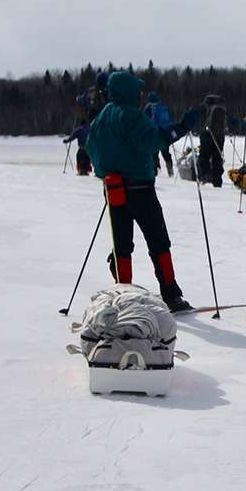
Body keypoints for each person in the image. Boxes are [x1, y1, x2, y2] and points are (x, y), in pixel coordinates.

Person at [85, 70, 200, 313]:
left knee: (122, 244)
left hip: (113, 188)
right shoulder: (133, 116)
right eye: (137, 91)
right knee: (158, 241)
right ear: (129, 92)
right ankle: (171, 295)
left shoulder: (103, 115)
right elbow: (153, 141)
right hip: (140, 189)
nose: (140, 95)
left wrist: (105, 172)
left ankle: (123, 293)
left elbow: (91, 146)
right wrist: (182, 127)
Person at [196, 94, 227, 187]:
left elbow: (200, 121)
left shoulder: (206, 108)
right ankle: (217, 180)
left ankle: (206, 175)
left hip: (207, 136)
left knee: (204, 156)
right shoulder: (222, 109)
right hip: (220, 137)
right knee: (217, 159)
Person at [142, 91, 175, 177]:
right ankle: (170, 169)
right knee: (166, 152)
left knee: (154, 152)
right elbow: (170, 120)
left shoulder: (149, 108)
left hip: (154, 133)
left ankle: (155, 170)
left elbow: (144, 120)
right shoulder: (163, 107)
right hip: (165, 133)